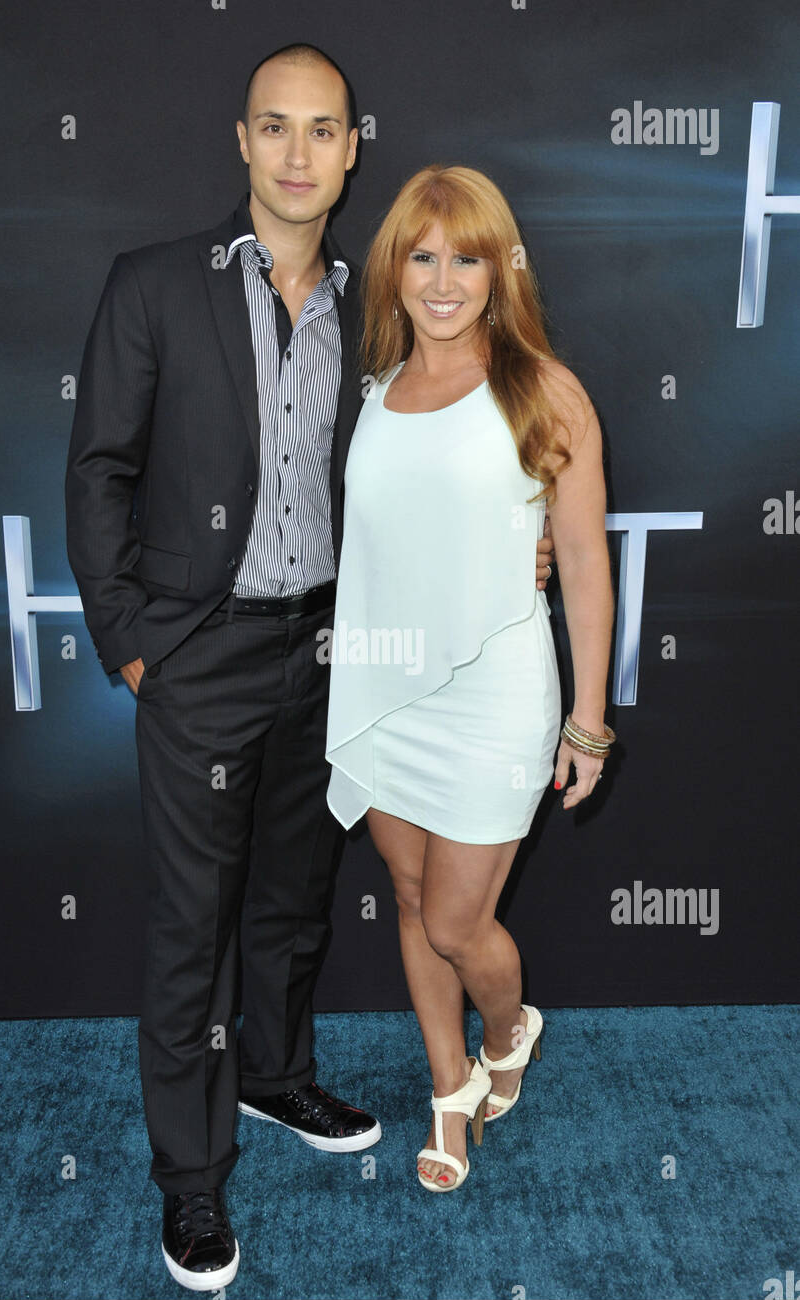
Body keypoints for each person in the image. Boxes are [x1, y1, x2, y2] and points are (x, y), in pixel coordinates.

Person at [66, 48, 555, 1290]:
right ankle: (192, 1181)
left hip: (333, 649)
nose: (296, 153)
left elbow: (433, 464)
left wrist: (525, 531)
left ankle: (278, 1079)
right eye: (273, 128)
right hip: (196, 652)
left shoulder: (376, 316)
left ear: (351, 149)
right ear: (241, 141)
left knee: (290, 899)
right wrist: (132, 640)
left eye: (320, 130)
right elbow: (99, 470)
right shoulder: (153, 285)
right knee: (194, 928)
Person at [325, 165, 615, 1192]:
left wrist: (586, 721)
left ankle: (508, 1027)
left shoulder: (542, 389)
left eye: (467, 258)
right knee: (408, 898)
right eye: (422, 256)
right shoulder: (373, 392)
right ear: (392, 270)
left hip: (495, 693)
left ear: (500, 272)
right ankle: (447, 1091)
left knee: (456, 921)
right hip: (384, 685)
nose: (442, 280)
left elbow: (580, 560)